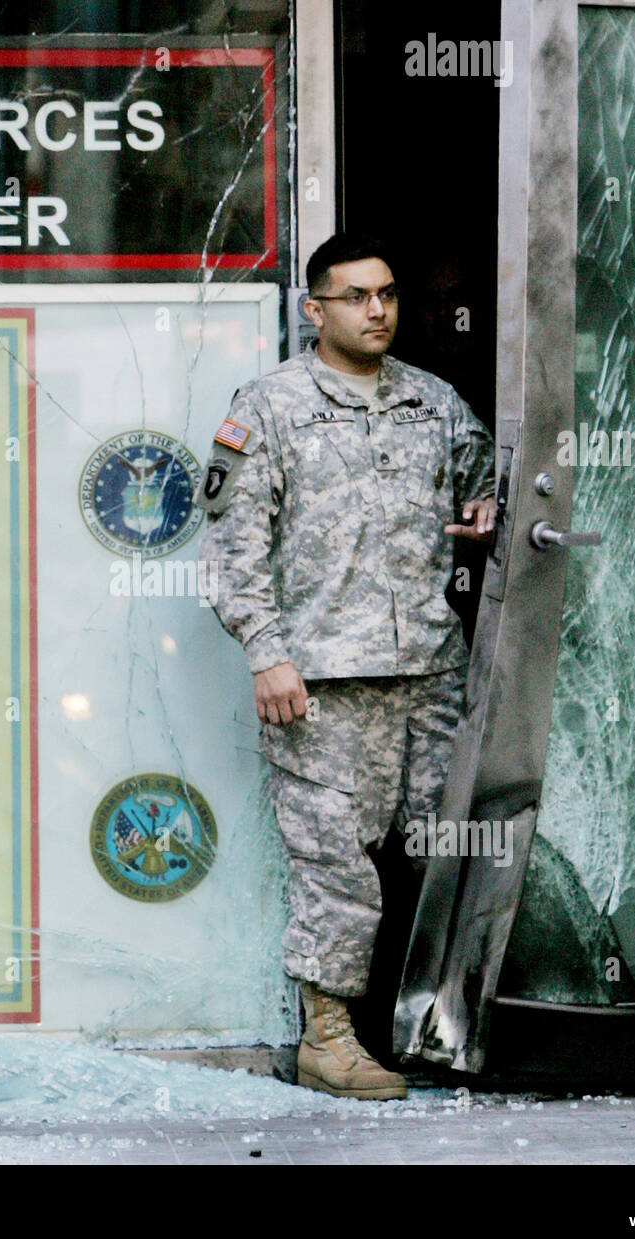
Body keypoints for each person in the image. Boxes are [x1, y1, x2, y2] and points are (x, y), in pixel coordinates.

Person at [196, 233, 497, 1100]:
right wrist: (267, 654)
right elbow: (233, 546)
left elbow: (486, 483)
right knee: (335, 863)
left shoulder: (431, 401)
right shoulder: (271, 407)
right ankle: (329, 1041)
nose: (378, 311)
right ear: (314, 309)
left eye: (389, 295)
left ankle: (438, 1031)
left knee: (442, 849)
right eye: (358, 296)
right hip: (322, 683)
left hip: (431, 676)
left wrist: (484, 509)